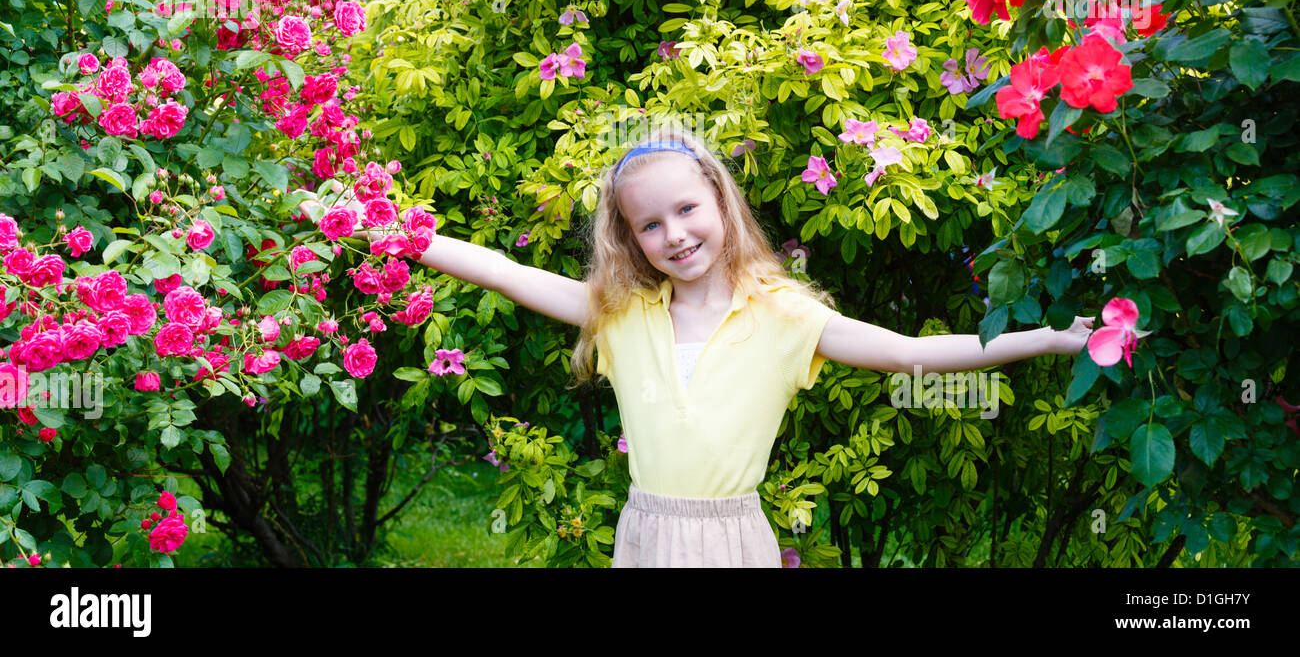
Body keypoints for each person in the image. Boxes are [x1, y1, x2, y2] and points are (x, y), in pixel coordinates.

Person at [304, 127, 1094, 568]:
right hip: (647, 536)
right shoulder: (619, 316)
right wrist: (383, 226)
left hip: (732, 541)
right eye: (650, 225)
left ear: (720, 202)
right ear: (631, 239)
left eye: (686, 210)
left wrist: (1054, 338)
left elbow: (907, 352)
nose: (674, 234)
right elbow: (505, 271)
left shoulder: (784, 316)